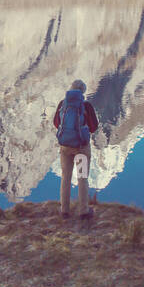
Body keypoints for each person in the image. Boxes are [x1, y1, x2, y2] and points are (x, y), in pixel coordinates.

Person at [53, 79, 99, 218]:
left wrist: (68, 133)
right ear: (83, 91)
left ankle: (64, 210)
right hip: (81, 148)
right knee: (82, 178)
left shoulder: (63, 104)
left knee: (65, 177)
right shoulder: (86, 106)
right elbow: (93, 126)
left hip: (65, 147)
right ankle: (84, 211)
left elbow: (56, 123)